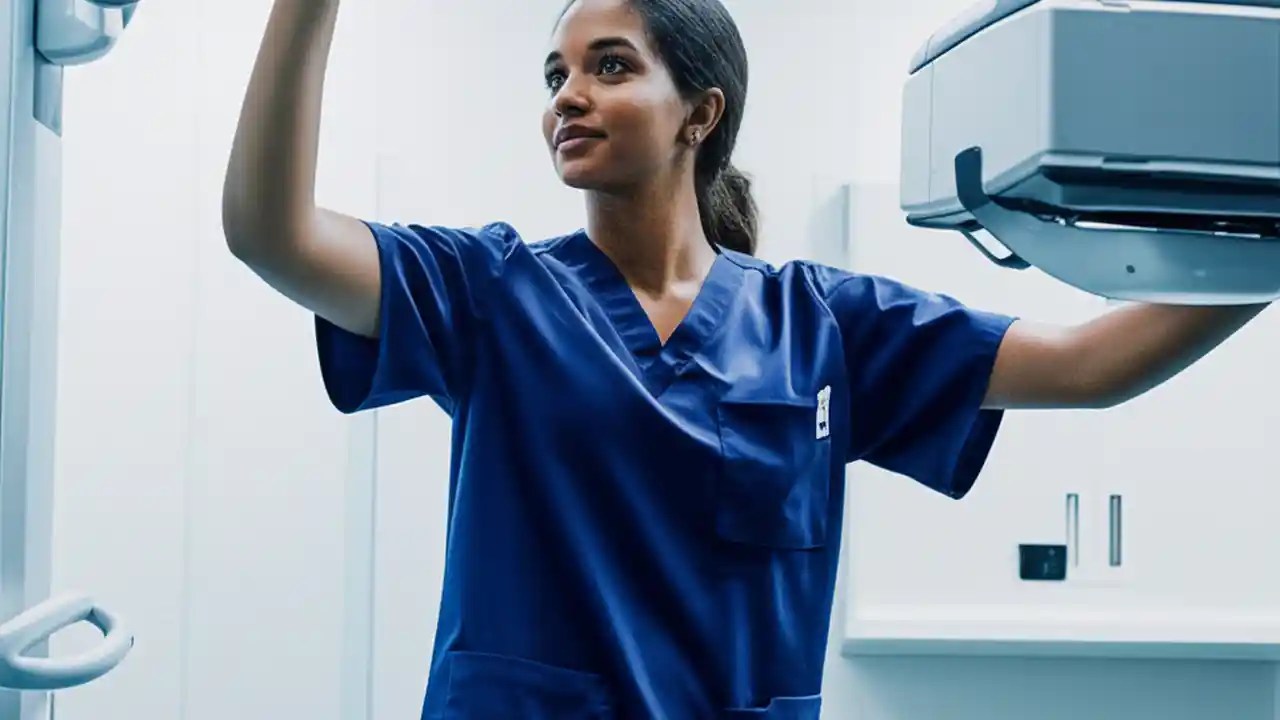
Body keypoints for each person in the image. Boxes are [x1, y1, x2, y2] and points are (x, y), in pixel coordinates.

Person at [221, 0, 1268, 716]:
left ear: (701, 112)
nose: (566, 95)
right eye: (555, 74)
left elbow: (1091, 364)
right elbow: (271, 232)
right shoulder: (489, 293)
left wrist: (1263, 232)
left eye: (609, 66)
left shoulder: (822, 324)